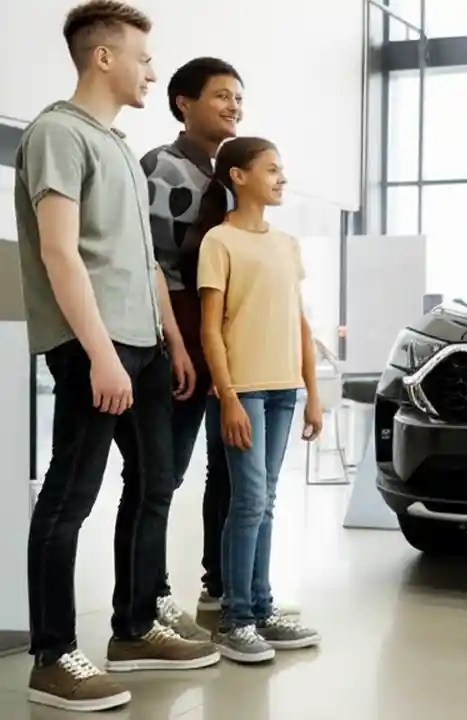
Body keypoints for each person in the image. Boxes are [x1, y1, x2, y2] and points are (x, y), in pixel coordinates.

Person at [14, 1, 221, 712]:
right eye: (141, 58)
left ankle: (135, 626)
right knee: (69, 500)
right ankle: (53, 657)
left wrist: (174, 339)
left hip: (148, 348)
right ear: (103, 58)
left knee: (156, 485)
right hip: (90, 348)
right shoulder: (56, 134)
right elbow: (59, 253)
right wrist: (101, 354)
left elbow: (145, 262)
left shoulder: (121, 150)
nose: (150, 71)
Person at [195, 136, 323, 663]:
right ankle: (235, 619)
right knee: (247, 502)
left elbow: (299, 322)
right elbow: (209, 330)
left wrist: (313, 393)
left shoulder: (287, 243)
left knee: (266, 501)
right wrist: (225, 396)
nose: (281, 178)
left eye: (282, 170)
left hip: (283, 389)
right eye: (271, 169)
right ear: (238, 177)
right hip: (242, 389)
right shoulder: (218, 243)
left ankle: (263, 609)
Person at [138, 56, 244, 641]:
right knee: (164, 473)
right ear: (183, 101)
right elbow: (148, 263)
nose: (233, 106)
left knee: (228, 468)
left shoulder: (232, 175)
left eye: (238, 98)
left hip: (225, 337)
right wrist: (172, 342)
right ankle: (148, 598)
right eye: (222, 95)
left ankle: (222, 587)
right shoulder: (161, 167)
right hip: (175, 333)